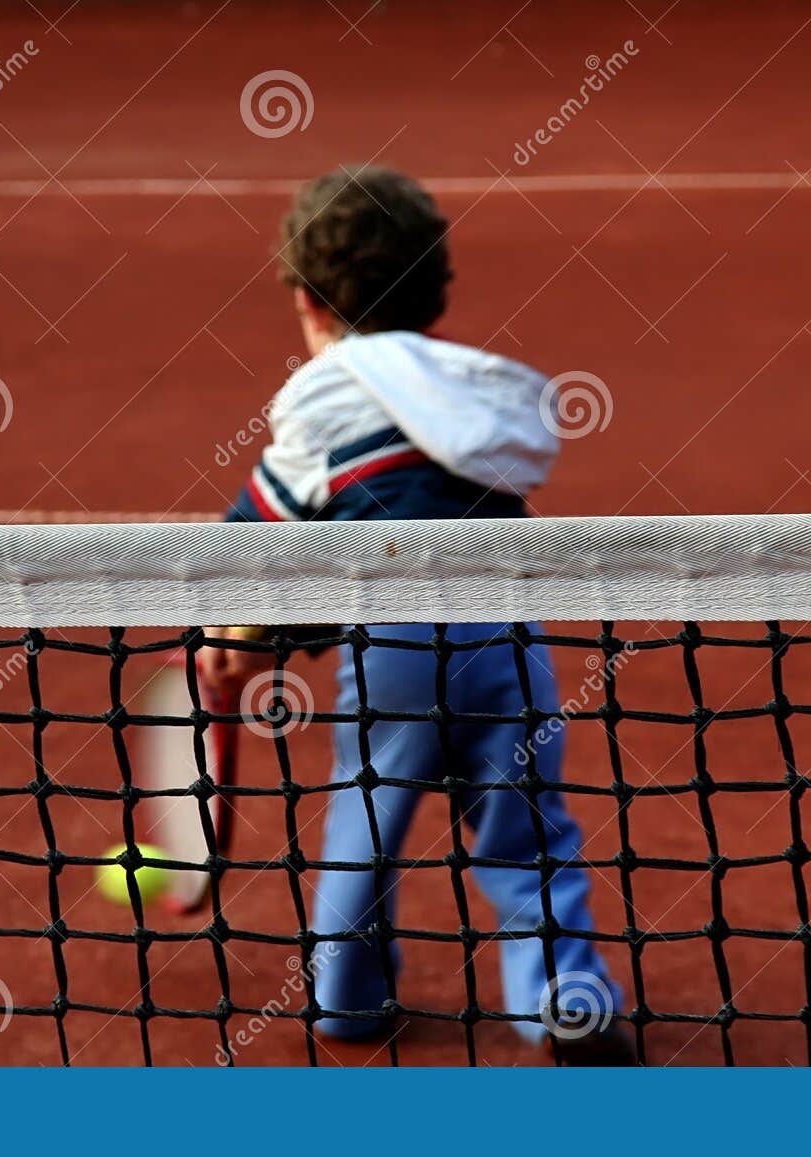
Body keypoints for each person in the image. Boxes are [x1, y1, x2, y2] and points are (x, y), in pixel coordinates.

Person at [199, 165, 630, 1064]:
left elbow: (264, 544)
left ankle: (347, 1001)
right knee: (529, 835)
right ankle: (566, 994)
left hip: (395, 650)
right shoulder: (479, 394)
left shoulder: (321, 398)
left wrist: (232, 640)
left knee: (365, 828)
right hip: (507, 635)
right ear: (434, 296)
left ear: (308, 302)